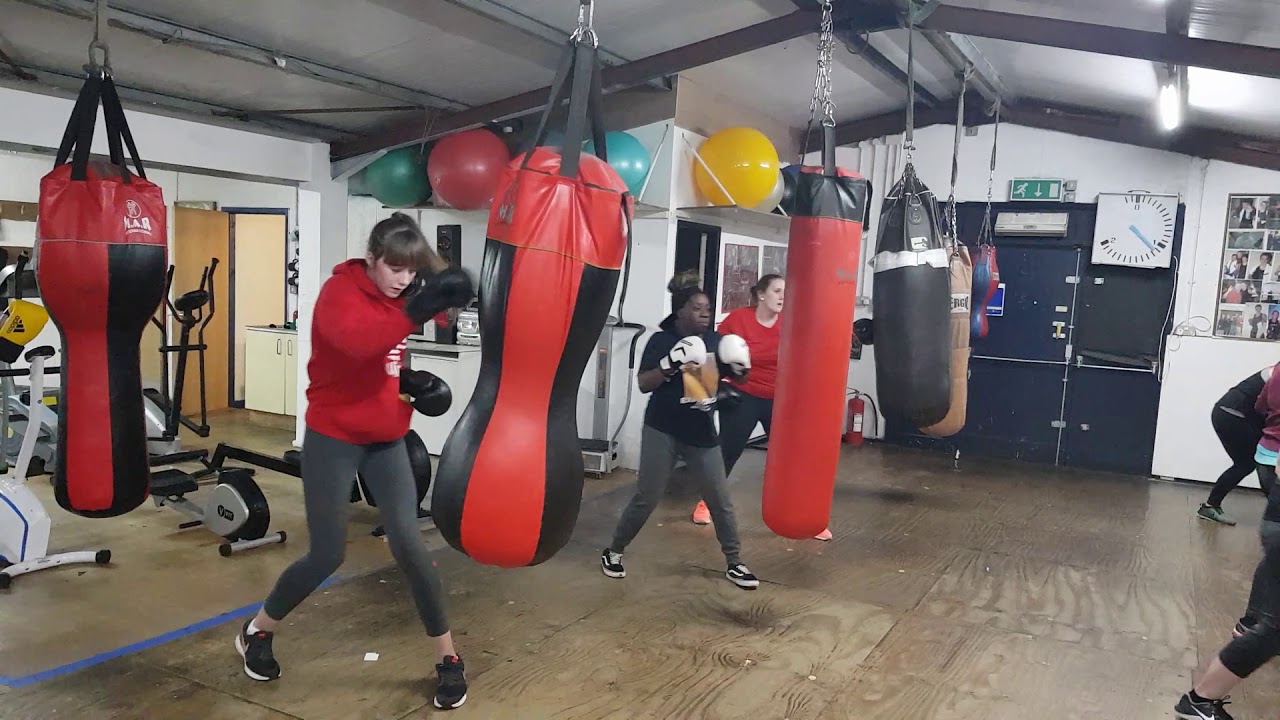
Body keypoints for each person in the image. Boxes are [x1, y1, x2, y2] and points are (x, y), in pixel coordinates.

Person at [235, 213, 476, 711]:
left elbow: (384, 358)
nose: (404, 280)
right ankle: (258, 631)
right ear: (371, 259)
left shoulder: (399, 300)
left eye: (412, 271)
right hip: (335, 437)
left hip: (386, 438)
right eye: (394, 268)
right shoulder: (338, 294)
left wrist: (409, 384)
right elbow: (358, 344)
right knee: (328, 554)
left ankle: (448, 659)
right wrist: (421, 306)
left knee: (411, 546)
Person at [600, 272, 759, 589]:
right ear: (681, 310)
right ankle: (613, 551)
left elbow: (733, 378)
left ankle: (735, 563)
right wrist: (670, 363)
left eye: (708, 309)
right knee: (647, 497)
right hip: (663, 429)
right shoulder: (661, 341)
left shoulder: (715, 342)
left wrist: (740, 368)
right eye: (699, 308)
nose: (706, 314)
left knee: (720, 500)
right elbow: (644, 384)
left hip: (701, 432)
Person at [687, 275, 833, 542]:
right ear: (762, 294)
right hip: (743, 395)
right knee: (727, 452)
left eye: (786, 293)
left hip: (780, 400)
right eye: (777, 291)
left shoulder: (791, 323)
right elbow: (708, 350)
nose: (782, 297)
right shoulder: (739, 320)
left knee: (790, 458)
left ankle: (807, 516)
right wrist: (707, 391)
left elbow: (807, 356)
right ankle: (705, 503)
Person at [1174, 362, 1280, 720]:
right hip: (1232, 415)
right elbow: (1265, 407)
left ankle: (1251, 622)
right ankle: (1199, 701)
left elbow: (1266, 406)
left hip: (1250, 435)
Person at [1198, 366, 1272, 526]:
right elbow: (1264, 407)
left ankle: (1210, 505)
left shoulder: (1275, 370)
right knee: (1253, 462)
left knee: (1249, 463)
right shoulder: (1276, 374)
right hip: (1233, 414)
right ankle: (1210, 506)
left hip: (1231, 413)